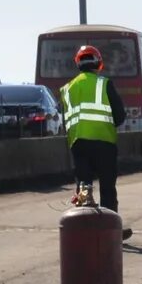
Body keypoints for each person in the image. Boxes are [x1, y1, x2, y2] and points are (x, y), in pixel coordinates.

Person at [58, 45, 119, 209]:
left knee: (84, 188)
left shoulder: (67, 89)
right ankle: (110, 229)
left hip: (79, 144)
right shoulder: (105, 84)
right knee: (107, 189)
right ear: (99, 64)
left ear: (78, 64)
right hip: (105, 143)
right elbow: (119, 116)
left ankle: (84, 227)